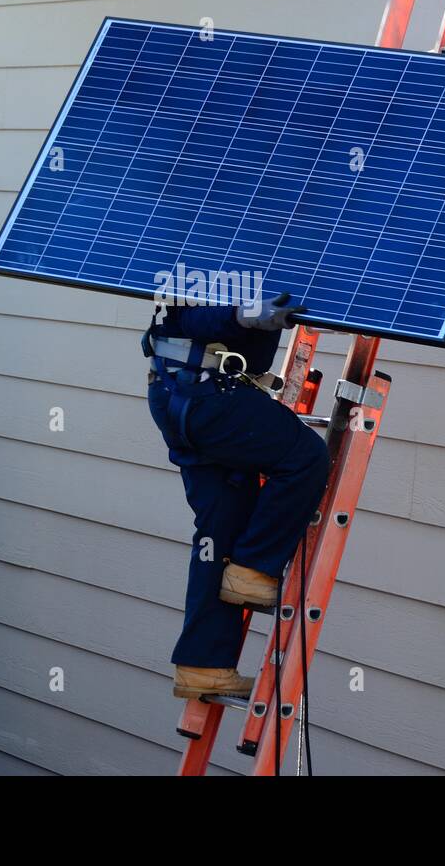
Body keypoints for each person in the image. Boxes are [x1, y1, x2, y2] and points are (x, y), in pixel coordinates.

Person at [144, 293, 331, 700]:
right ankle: (254, 569)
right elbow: (190, 316)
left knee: (219, 531)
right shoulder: (222, 259)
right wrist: (243, 315)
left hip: (179, 391)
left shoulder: (261, 258)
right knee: (305, 457)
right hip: (209, 395)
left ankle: (203, 666)